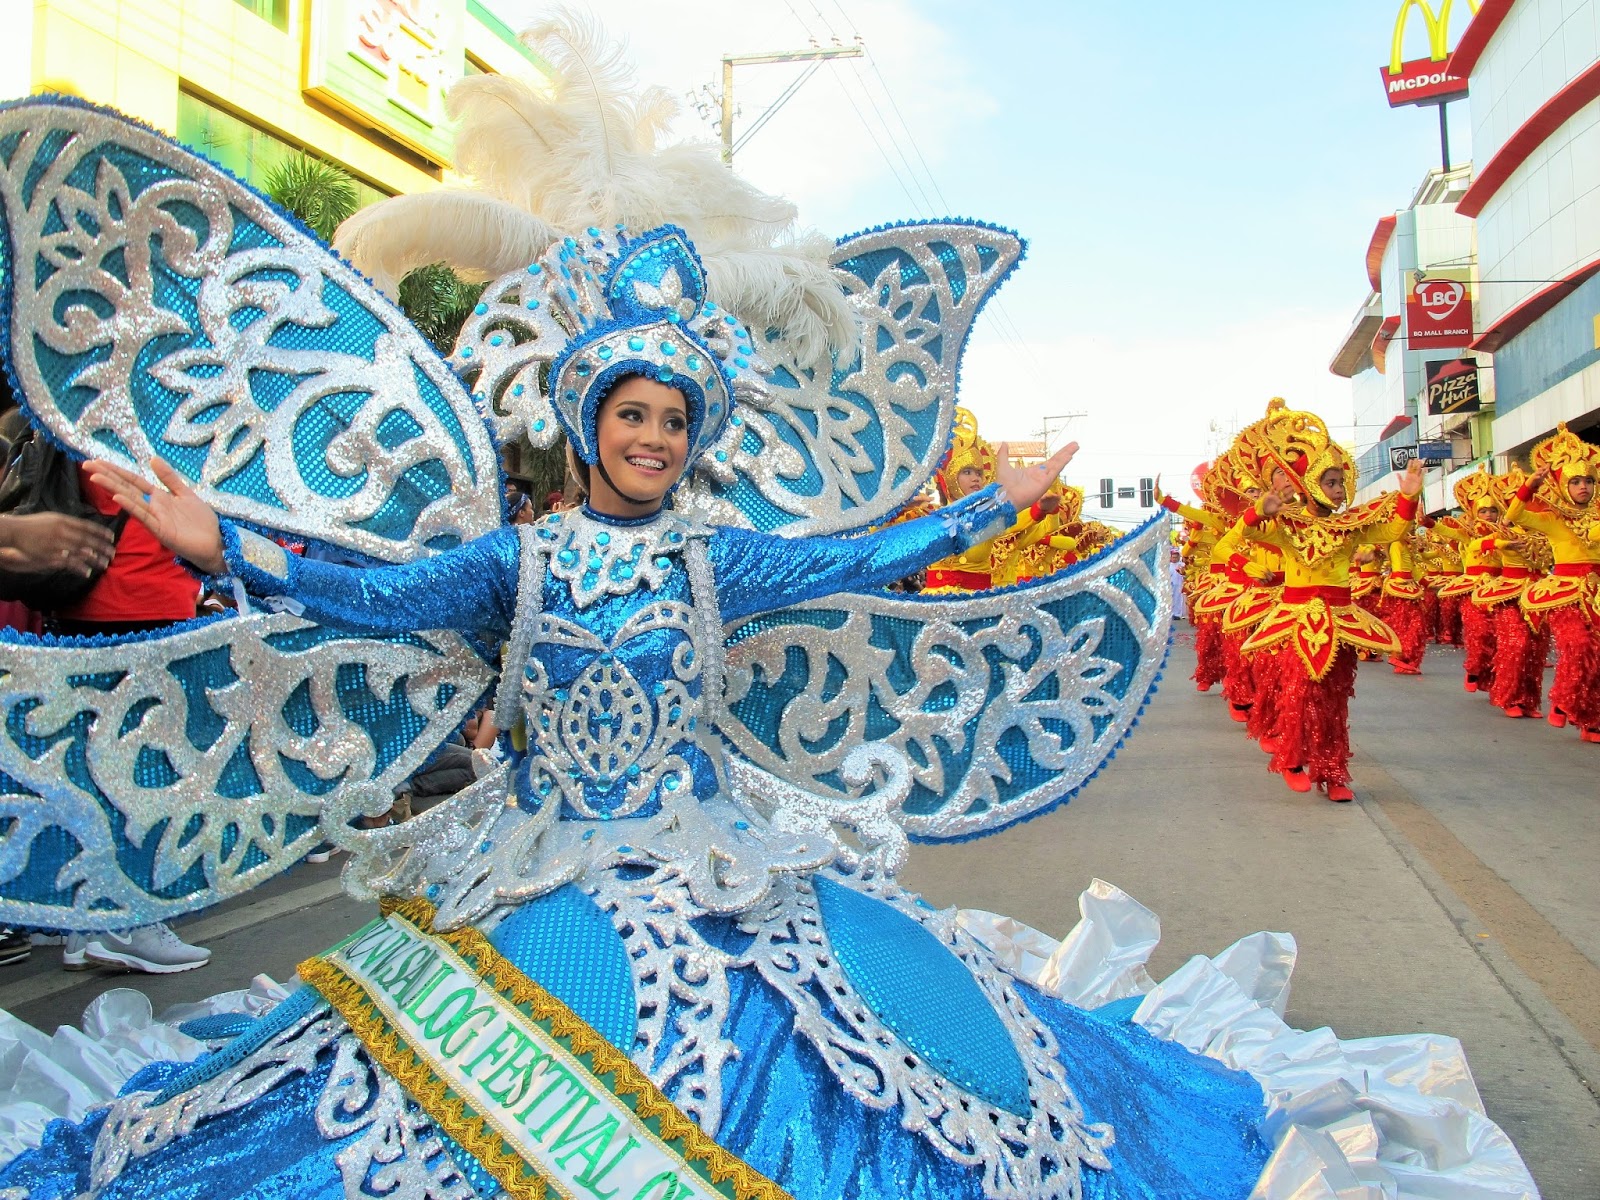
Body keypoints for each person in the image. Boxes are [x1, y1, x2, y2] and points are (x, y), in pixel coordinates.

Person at [1237, 407, 1422, 801]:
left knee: (1336, 699)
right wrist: (1258, 511)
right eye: (1330, 481)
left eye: (1341, 481)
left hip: (1341, 619)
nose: (1339, 490)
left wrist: (1408, 495)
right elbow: (1241, 538)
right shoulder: (1287, 526)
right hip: (1296, 619)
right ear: (1308, 483)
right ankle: (1292, 759)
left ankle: (1333, 772)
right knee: (1300, 693)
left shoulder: (1351, 526)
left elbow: (1393, 530)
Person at [1502, 425, 1600, 740]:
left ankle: (1592, 719)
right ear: (1561, 485)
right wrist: (1528, 487)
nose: (1583, 487)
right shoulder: (1553, 518)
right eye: (1575, 481)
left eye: (1588, 481)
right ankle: (1561, 700)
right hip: (1566, 593)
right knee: (1577, 646)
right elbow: (1515, 516)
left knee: (1597, 657)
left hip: (1597, 593)